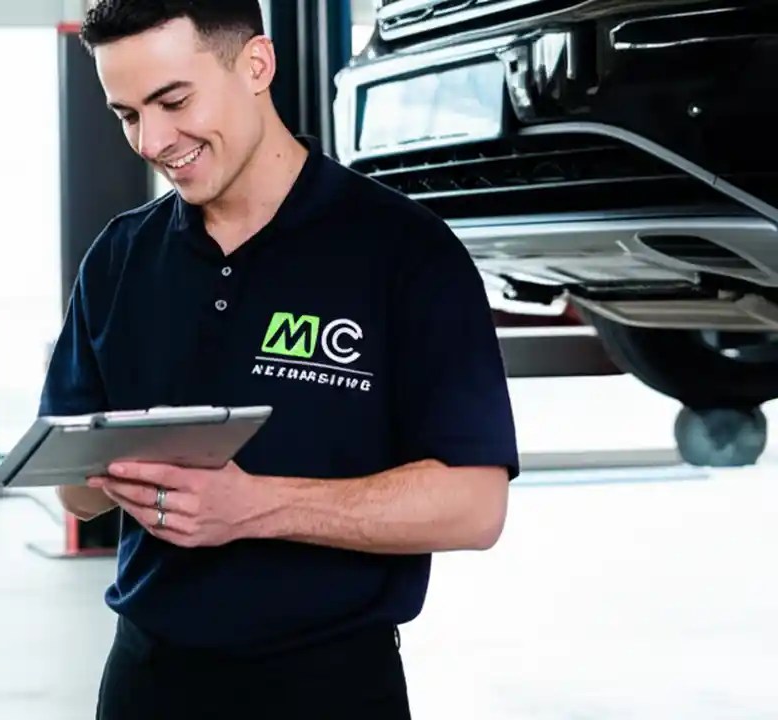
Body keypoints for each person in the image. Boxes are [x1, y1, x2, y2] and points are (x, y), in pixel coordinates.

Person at [40, 1, 519, 718]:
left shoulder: (405, 251)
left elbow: (475, 505)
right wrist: (120, 472)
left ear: (256, 64)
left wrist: (253, 507)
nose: (152, 140)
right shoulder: (118, 258)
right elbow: (73, 493)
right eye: (128, 115)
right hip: (146, 679)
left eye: (173, 101)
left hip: (329, 684)